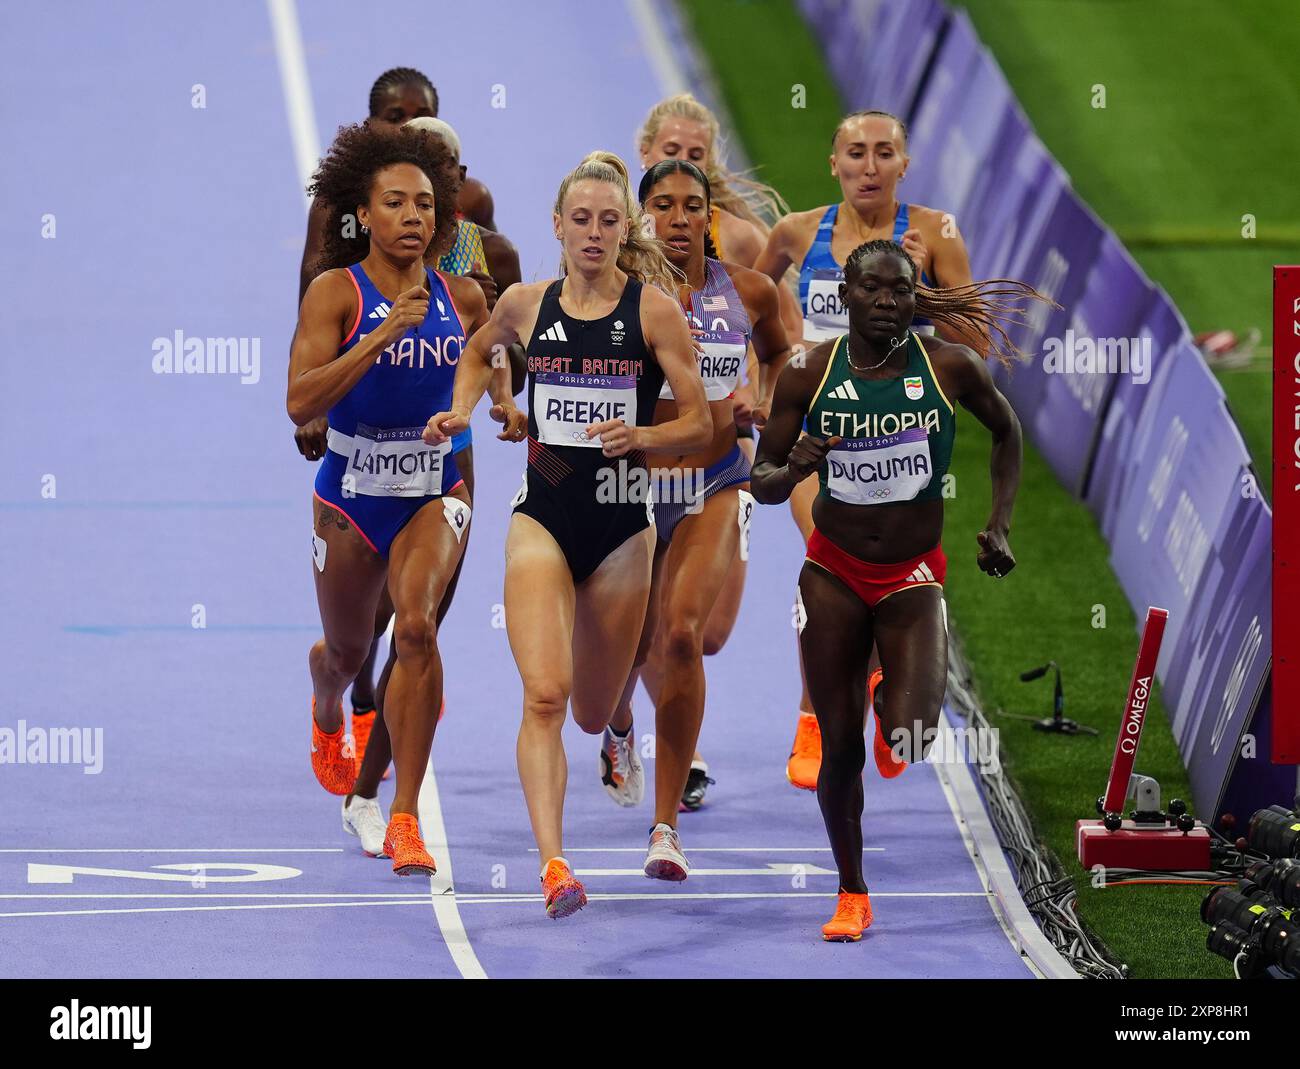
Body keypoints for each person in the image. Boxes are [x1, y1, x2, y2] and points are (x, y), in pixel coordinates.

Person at [423, 151, 711, 918]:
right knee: (545, 696)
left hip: (623, 525)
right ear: (557, 226)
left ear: (627, 229)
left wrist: (645, 437)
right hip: (543, 517)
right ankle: (555, 865)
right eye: (579, 219)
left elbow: (701, 418)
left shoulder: (652, 312)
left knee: (588, 707)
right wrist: (472, 410)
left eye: (608, 220)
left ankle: (618, 727)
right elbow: (479, 349)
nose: (593, 232)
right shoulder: (525, 302)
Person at [752, 238, 1045, 941]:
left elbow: (1007, 433)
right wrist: (794, 467)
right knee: (843, 748)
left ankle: (889, 680)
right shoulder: (807, 374)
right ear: (845, 294)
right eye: (874, 290)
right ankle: (852, 890)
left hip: (913, 575)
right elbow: (761, 484)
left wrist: (999, 525)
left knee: (910, 736)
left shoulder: (948, 367)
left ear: (916, 299)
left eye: (902, 292)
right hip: (832, 572)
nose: (889, 303)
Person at [287, 122, 507, 875]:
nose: (413, 217)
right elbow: (297, 399)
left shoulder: (466, 294)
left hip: (433, 486)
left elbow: (490, 360)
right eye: (396, 203)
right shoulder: (334, 292)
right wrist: (380, 338)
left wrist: (505, 404)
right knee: (348, 651)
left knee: (416, 628)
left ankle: (405, 816)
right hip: (349, 494)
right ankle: (326, 708)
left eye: (423, 205)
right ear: (365, 215)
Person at [753, 109, 980, 791]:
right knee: (829, 561)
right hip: (820, 434)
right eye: (857, 152)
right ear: (835, 162)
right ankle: (816, 718)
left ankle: (883, 690)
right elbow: (746, 305)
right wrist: (759, 385)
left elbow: (975, 342)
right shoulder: (797, 232)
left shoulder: (935, 231)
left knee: (882, 568)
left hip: (902, 438)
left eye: (885, 153)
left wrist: (922, 292)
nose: (870, 166)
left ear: (904, 165)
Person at [594, 159, 789, 877]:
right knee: (623, 647)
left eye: (691, 206)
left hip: (714, 482)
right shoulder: (617, 294)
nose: (678, 218)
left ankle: (665, 826)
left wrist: (763, 399)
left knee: (682, 635)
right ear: (642, 216)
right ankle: (618, 725)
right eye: (663, 206)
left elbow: (778, 354)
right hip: (630, 489)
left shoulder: (748, 290)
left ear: (710, 214)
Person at [636, 93, 798, 808]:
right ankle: (676, 751)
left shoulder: (740, 248)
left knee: (710, 634)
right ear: (645, 156)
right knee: (665, 627)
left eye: (695, 159)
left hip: (725, 462)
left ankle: (657, 721)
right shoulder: (618, 253)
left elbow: (772, 340)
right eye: (668, 156)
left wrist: (761, 400)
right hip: (639, 475)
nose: (680, 173)